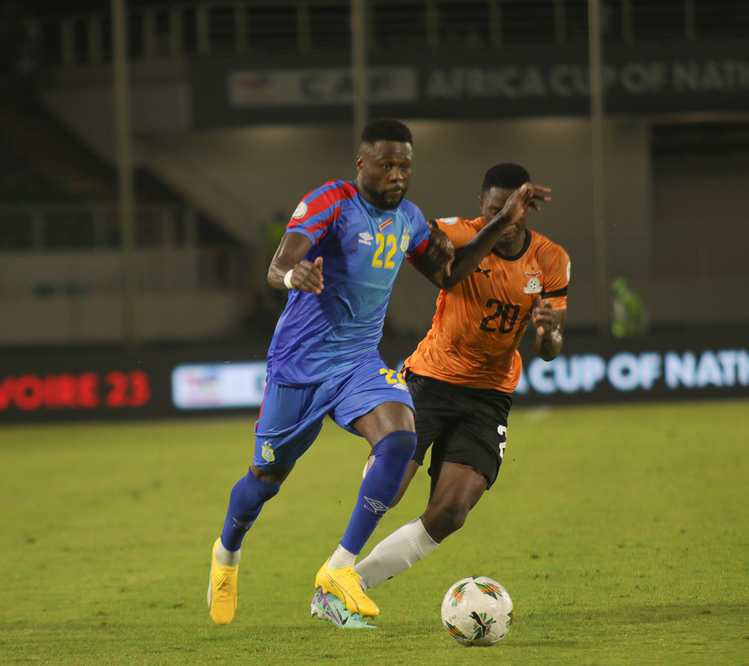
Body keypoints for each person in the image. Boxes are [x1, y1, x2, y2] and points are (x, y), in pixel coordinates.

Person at [207, 121, 540, 629]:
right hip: (299, 367)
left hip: (358, 361)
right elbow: (281, 263)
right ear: (362, 164)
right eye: (386, 164)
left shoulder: (408, 219)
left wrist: (498, 225)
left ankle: (340, 568)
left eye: (405, 165)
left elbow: (449, 273)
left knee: (400, 439)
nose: (397, 175)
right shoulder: (332, 203)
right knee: (266, 479)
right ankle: (226, 554)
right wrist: (295, 275)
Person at [321, 163, 569, 627]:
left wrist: (548, 334)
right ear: (482, 207)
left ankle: (339, 589)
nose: (506, 220)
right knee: (390, 489)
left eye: (513, 212)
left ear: (527, 210)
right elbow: (438, 266)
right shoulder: (456, 234)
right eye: (496, 211)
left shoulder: (551, 260)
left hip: (489, 395)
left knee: (451, 512)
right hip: (430, 380)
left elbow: (550, 348)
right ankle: (350, 540)